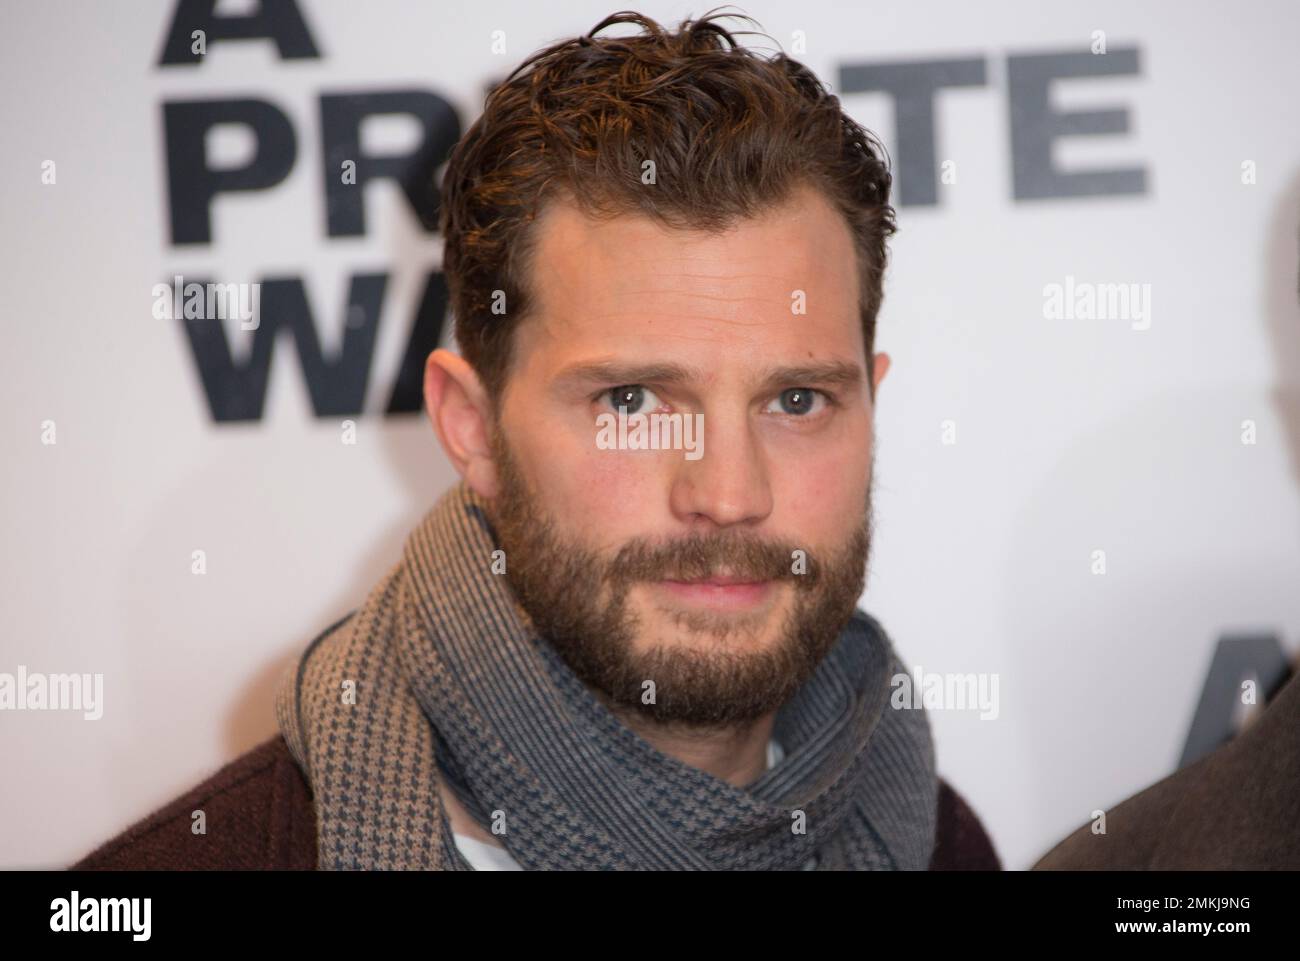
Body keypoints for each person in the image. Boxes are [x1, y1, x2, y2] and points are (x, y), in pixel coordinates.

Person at [73, 9, 998, 871]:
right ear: (471, 429)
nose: (729, 491)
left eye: (796, 399)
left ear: (870, 407)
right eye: (632, 401)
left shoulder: (939, 843)